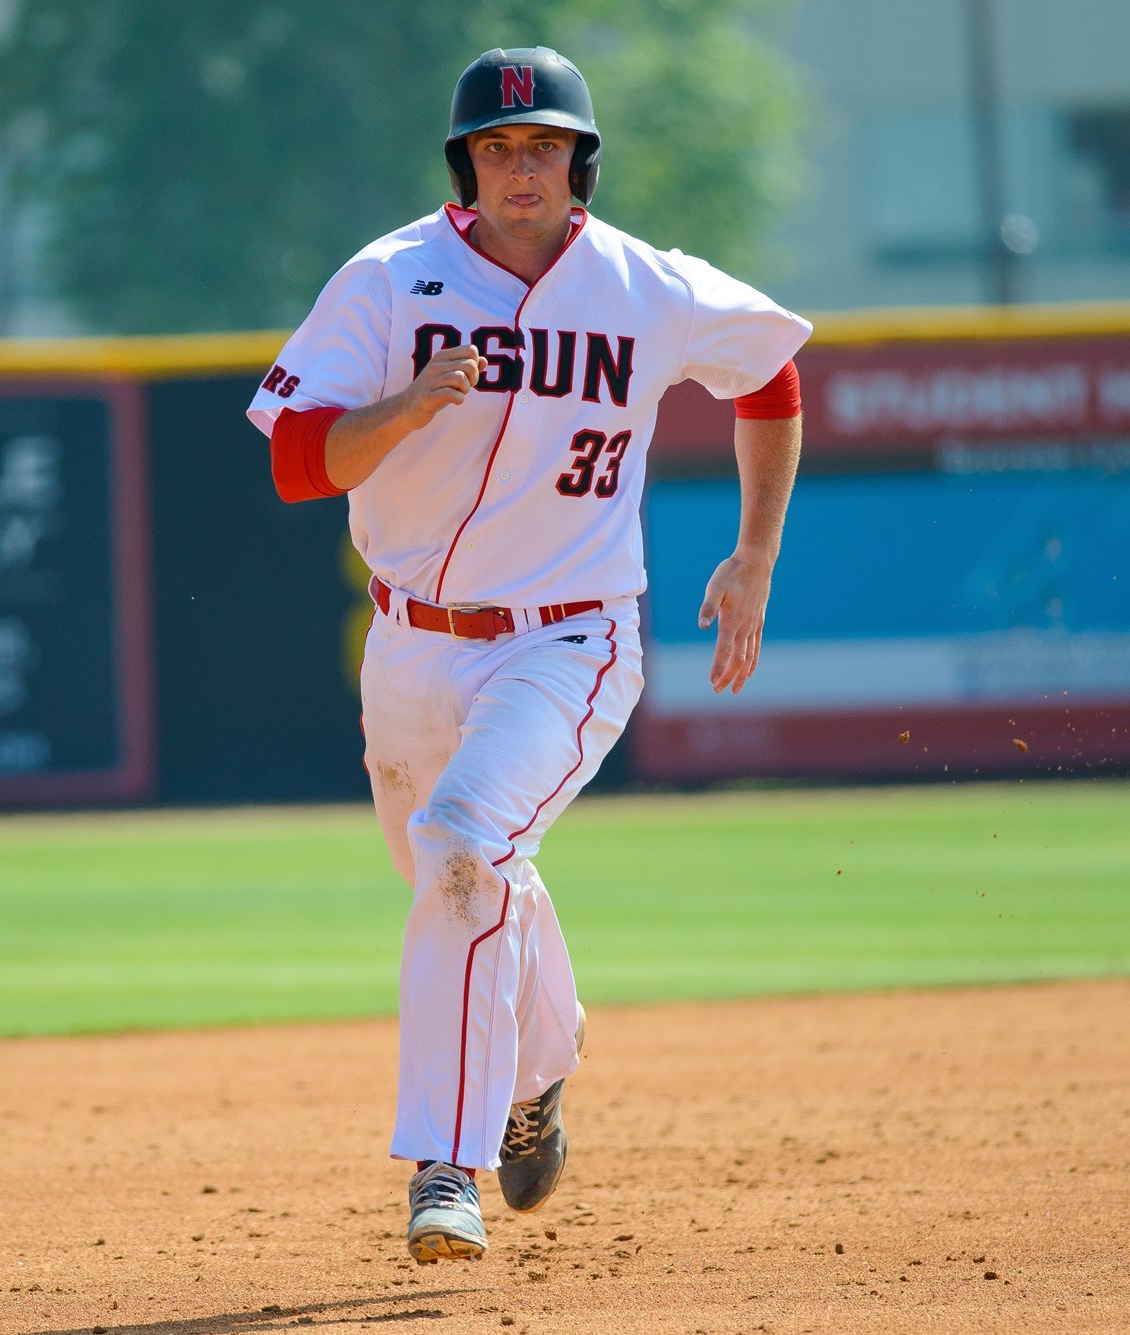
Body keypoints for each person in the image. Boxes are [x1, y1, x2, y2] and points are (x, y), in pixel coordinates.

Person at [246, 45, 809, 1263]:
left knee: (461, 847)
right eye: (496, 148)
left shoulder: (644, 287)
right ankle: (536, 1074)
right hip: (407, 647)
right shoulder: (392, 279)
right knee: (461, 865)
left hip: (572, 639)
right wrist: (402, 407)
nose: (518, 168)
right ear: (466, 164)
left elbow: (769, 374)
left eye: (541, 146)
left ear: (577, 162)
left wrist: (753, 554)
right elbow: (296, 462)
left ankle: (442, 1169)